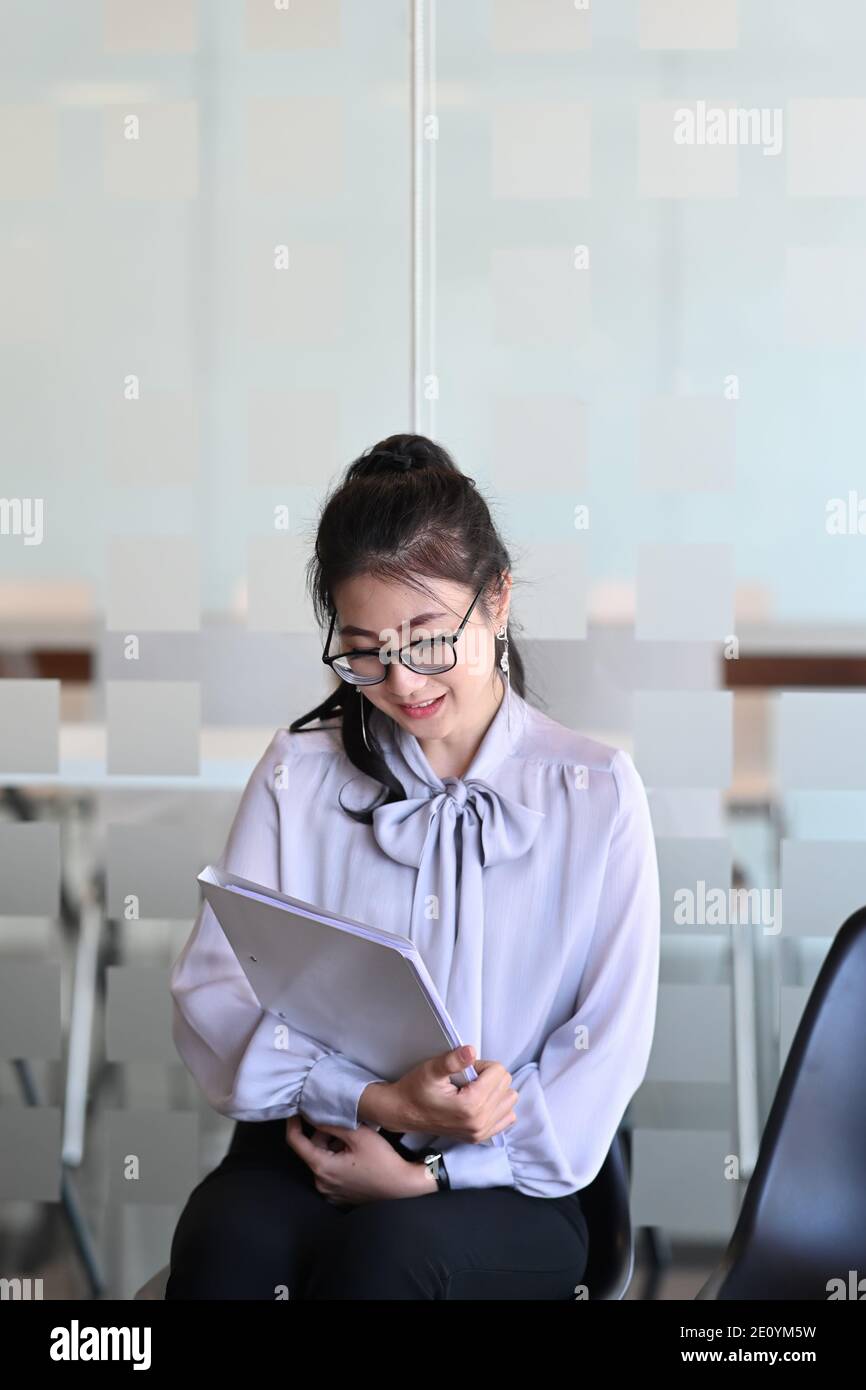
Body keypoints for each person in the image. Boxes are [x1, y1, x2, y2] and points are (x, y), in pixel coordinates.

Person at [165, 433, 660, 1300]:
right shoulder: (297, 774)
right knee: (223, 1249)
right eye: (364, 650)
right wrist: (374, 1102)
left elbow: (605, 1048)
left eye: (428, 643)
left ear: (497, 601)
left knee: (386, 1263)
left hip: (508, 1178)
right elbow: (212, 993)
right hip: (314, 1140)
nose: (400, 683)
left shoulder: (596, 794)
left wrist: (433, 1173)